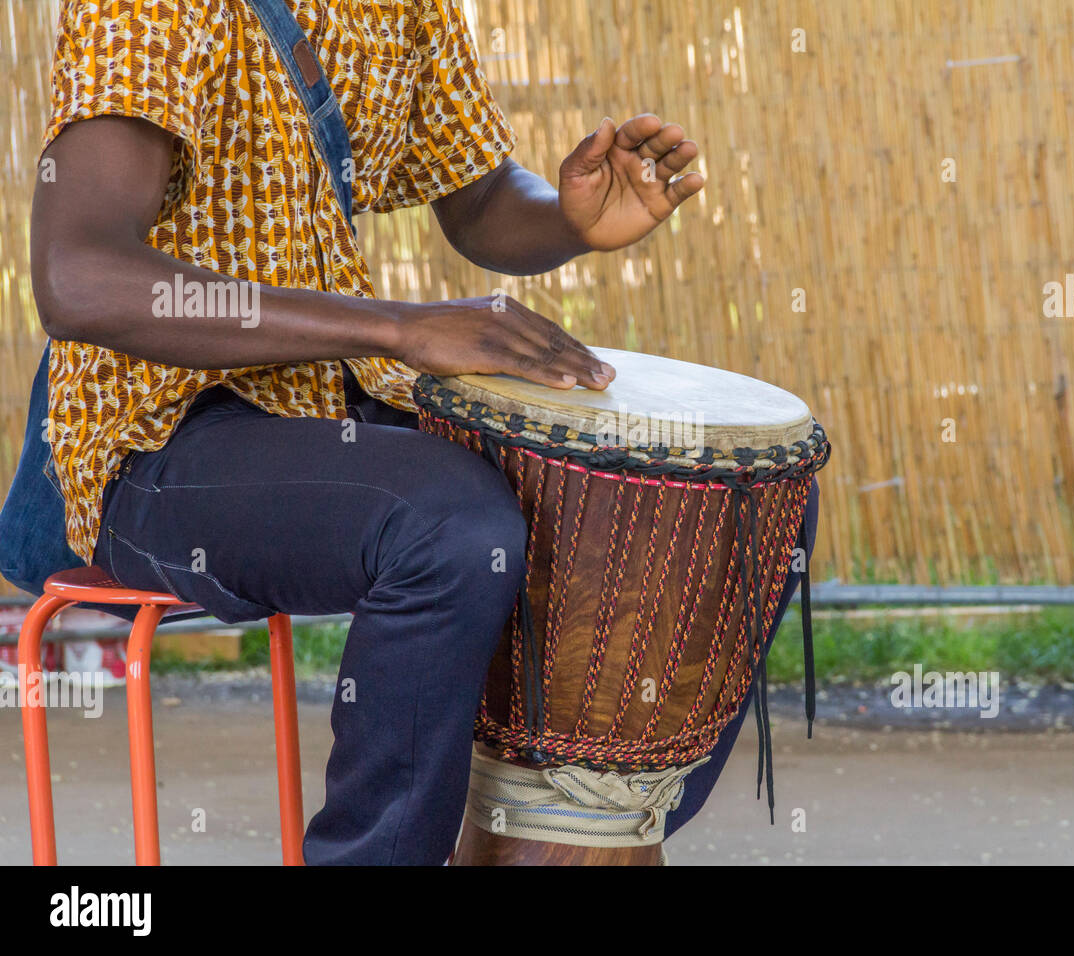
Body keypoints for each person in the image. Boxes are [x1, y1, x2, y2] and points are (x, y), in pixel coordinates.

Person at [21, 0, 816, 863]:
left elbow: (480, 198)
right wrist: (396, 326)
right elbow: (79, 277)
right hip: (156, 436)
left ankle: (577, 828)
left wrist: (569, 219)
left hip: (332, 400)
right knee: (450, 527)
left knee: (728, 495)